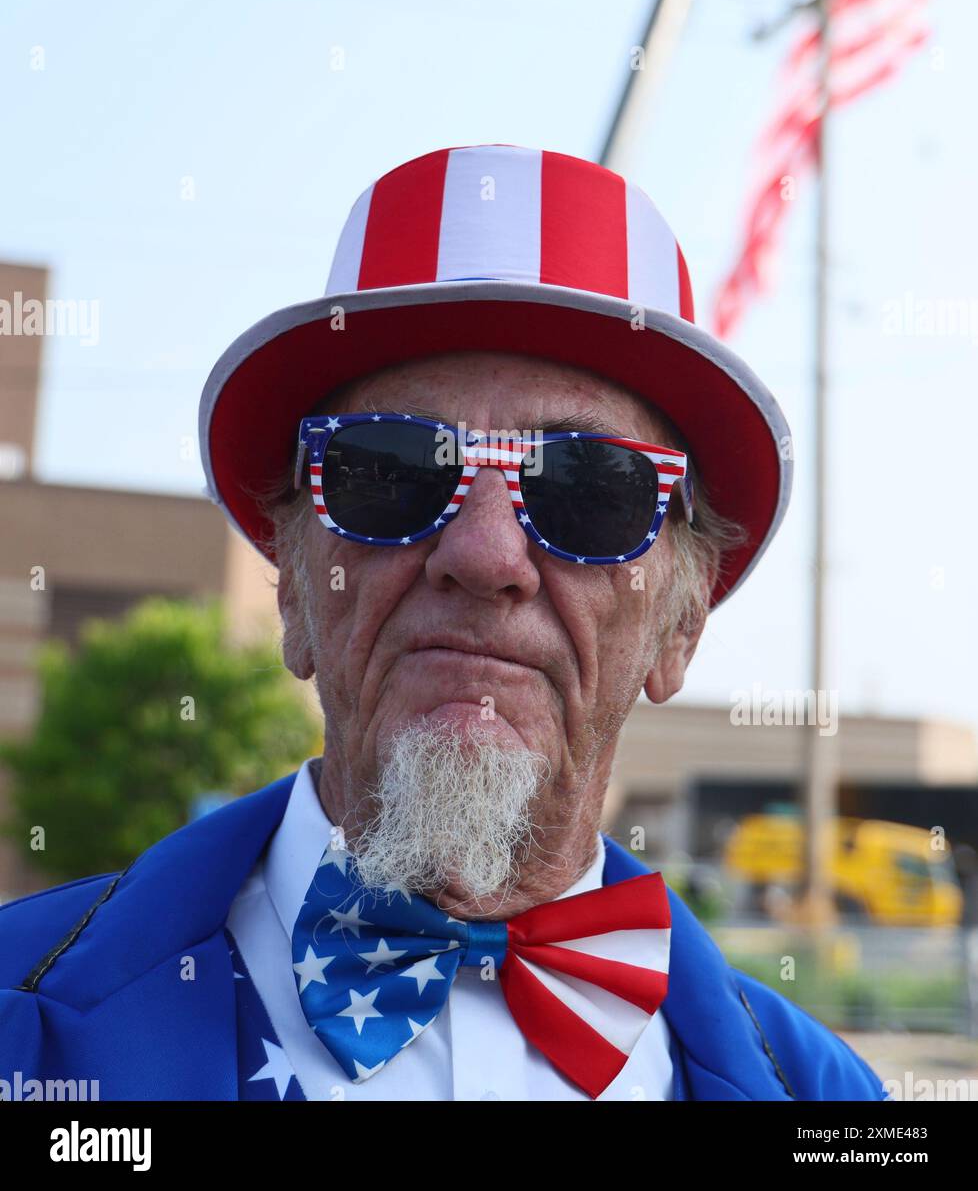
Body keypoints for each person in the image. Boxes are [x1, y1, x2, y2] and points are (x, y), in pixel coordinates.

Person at [0, 144, 886, 1101]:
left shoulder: (832, 1102)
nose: (486, 557)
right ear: (294, 591)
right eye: (391, 473)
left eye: (591, 490)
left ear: (680, 628)